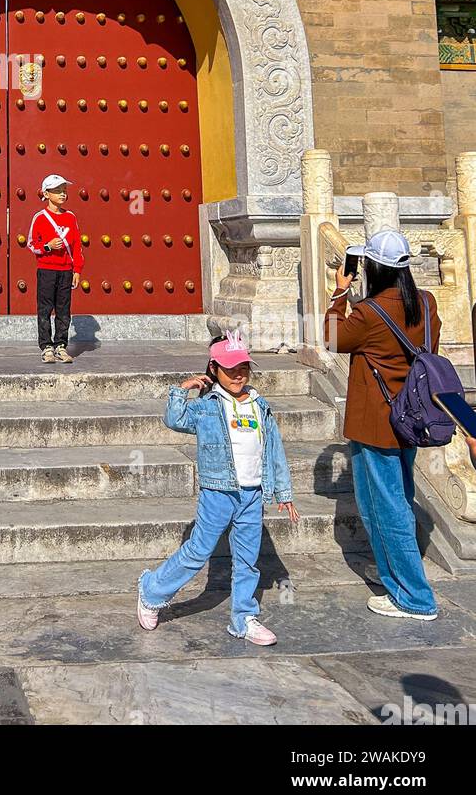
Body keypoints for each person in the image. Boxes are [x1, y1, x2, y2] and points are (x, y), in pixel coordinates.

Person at [137, 330, 299, 644]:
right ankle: (151, 591)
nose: (238, 374)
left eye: (243, 367)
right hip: (218, 493)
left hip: (252, 495)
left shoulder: (258, 404)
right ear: (214, 369)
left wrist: (284, 491)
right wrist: (182, 389)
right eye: (230, 368)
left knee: (248, 560)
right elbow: (174, 419)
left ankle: (244, 618)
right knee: (198, 552)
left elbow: (274, 448)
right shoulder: (207, 406)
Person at [325, 228, 440, 620]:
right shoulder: (426, 303)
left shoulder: (370, 313)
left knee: (386, 508)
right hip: (411, 417)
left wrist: (340, 293)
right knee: (396, 501)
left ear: (372, 267)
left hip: (376, 423)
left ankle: (414, 597)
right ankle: (395, 576)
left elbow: (332, 337)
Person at [26, 174, 83, 363]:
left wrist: (77, 270)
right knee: (45, 310)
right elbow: (32, 244)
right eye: (58, 191)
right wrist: (48, 246)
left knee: (63, 310)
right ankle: (46, 347)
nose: (62, 194)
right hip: (47, 270)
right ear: (46, 193)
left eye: (64, 190)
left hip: (65, 270)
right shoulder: (40, 218)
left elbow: (76, 246)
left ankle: (60, 346)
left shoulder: (70, 217)